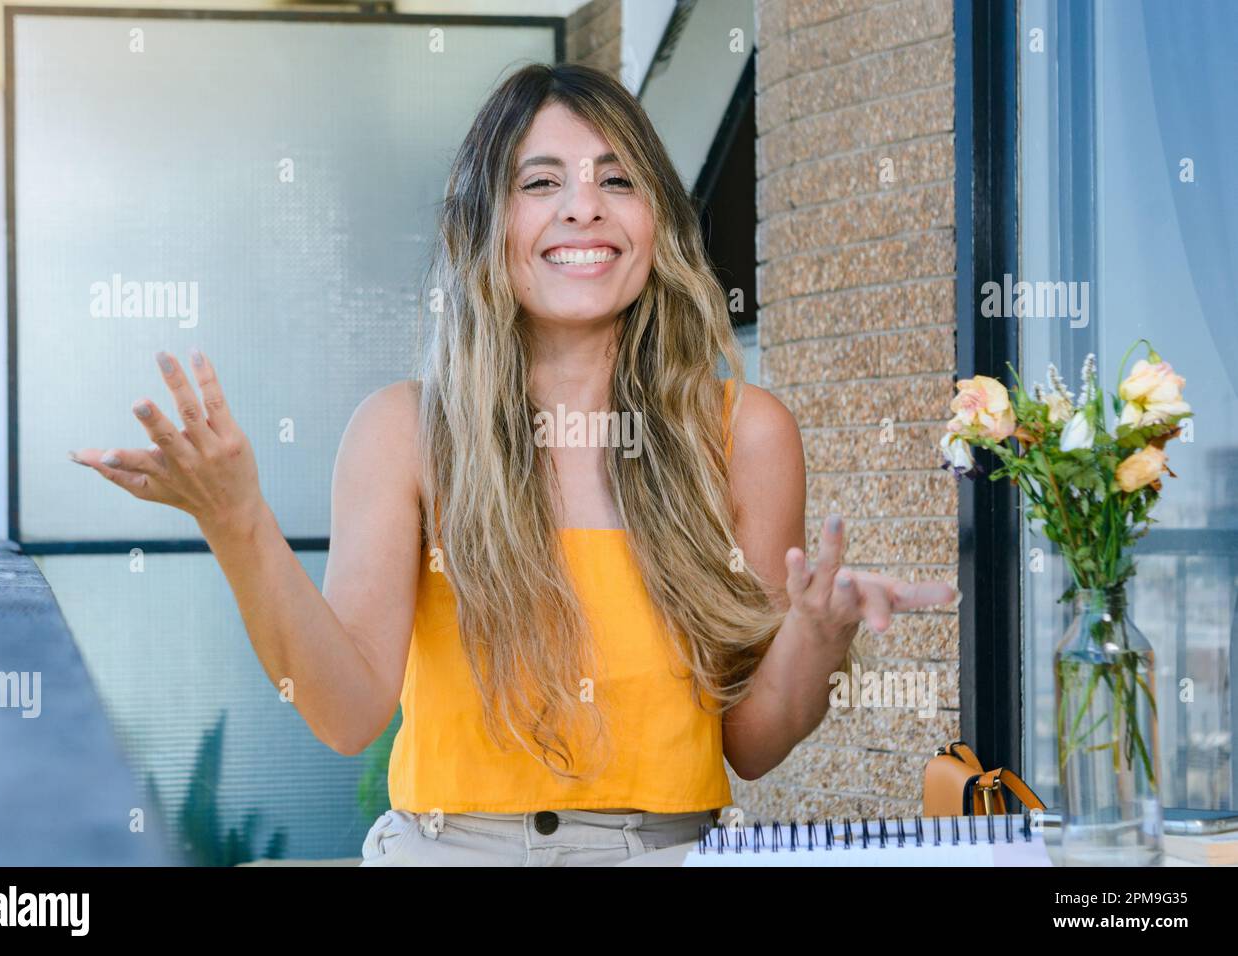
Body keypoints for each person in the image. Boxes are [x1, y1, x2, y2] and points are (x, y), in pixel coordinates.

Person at [70, 63, 956, 866]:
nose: (586, 207)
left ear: (657, 223)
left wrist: (816, 638)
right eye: (542, 183)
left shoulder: (745, 433)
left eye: (618, 180)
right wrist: (236, 520)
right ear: (486, 225)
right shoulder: (403, 432)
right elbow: (344, 714)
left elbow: (754, 744)